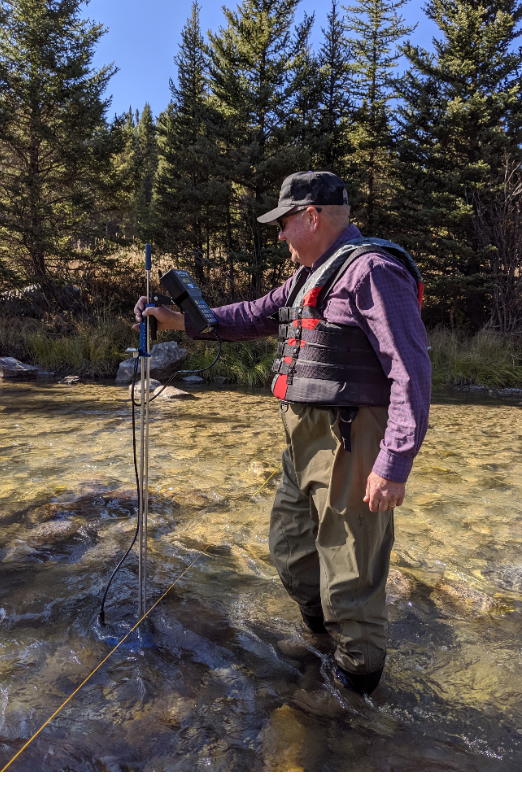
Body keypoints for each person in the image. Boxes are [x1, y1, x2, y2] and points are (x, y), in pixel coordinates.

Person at [134, 171, 431, 697]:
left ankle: (356, 692)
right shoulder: (309, 276)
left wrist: (394, 462)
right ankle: (323, 642)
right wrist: (176, 320)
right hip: (303, 443)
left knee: (352, 573)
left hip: (351, 440)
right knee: (292, 553)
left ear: (312, 217)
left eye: (285, 223)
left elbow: (410, 368)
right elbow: (249, 316)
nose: (280, 235)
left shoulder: (373, 271)